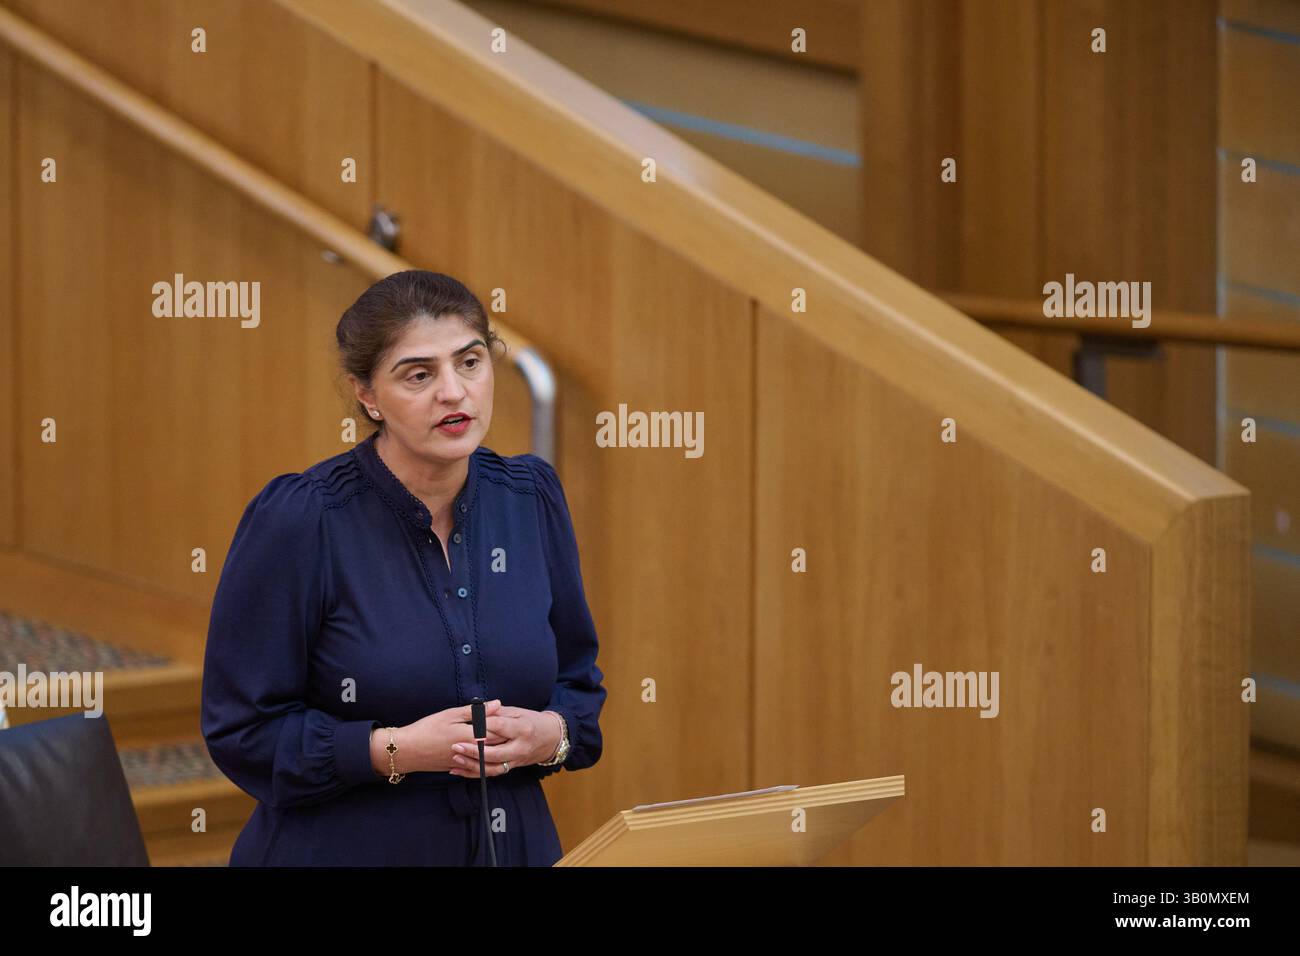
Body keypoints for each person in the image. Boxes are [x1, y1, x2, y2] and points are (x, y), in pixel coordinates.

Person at [201, 270, 606, 865]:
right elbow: (243, 733)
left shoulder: (530, 496)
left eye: (470, 363)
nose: (454, 392)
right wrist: (393, 749)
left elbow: (577, 683)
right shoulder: (302, 519)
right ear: (366, 395)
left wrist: (554, 736)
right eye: (419, 375)